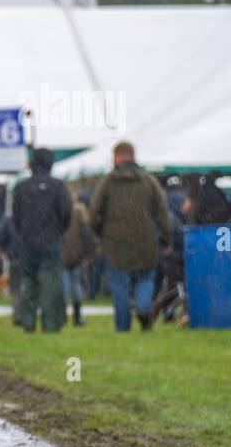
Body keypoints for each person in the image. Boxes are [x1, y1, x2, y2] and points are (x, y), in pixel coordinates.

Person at [89, 140, 174, 332]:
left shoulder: (108, 182)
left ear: (118, 157)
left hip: (115, 244)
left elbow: (95, 212)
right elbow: (162, 213)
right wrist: (166, 238)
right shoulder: (148, 181)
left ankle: (122, 327)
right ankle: (144, 308)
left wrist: (96, 233)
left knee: (120, 286)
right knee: (146, 278)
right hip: (145, 241)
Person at [11, 147, 72, 332]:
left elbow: (15, 216)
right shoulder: (58, 186)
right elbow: (66, 212)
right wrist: (59, 230)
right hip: (51, 240)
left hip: (28, 241)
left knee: (28, 282)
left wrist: (24, 232)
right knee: (50, 284)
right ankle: (50, 323)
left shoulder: (21, 187)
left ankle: (28, 321)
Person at [60, 185, 97, 326]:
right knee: (76, 286)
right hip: (76, 254)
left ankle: (62, 317)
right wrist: (88, 253)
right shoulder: (80, 211)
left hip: (61, 253)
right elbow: (87, 234)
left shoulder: (57, 211)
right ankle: (77, 317)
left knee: (63, 287)